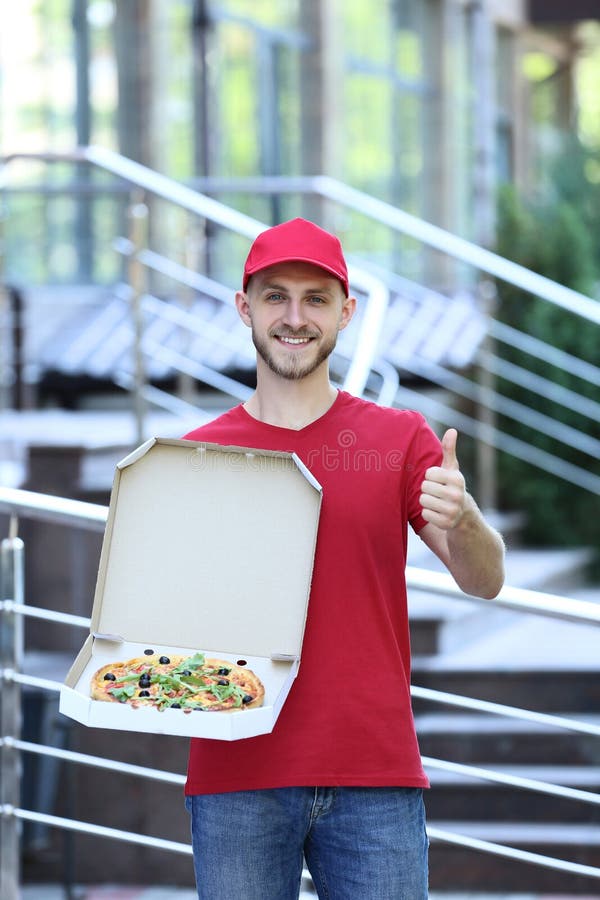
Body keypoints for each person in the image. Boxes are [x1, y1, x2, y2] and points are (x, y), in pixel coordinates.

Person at [183, 217, 505, 899]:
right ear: (244, 308)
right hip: (236, 773)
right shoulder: (196, 454)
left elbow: (486, 580)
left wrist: (465, 515)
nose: (295, 317)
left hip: (375, 777)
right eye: (276, 297)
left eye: (316, 298)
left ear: (345, 313)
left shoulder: (400, 438)